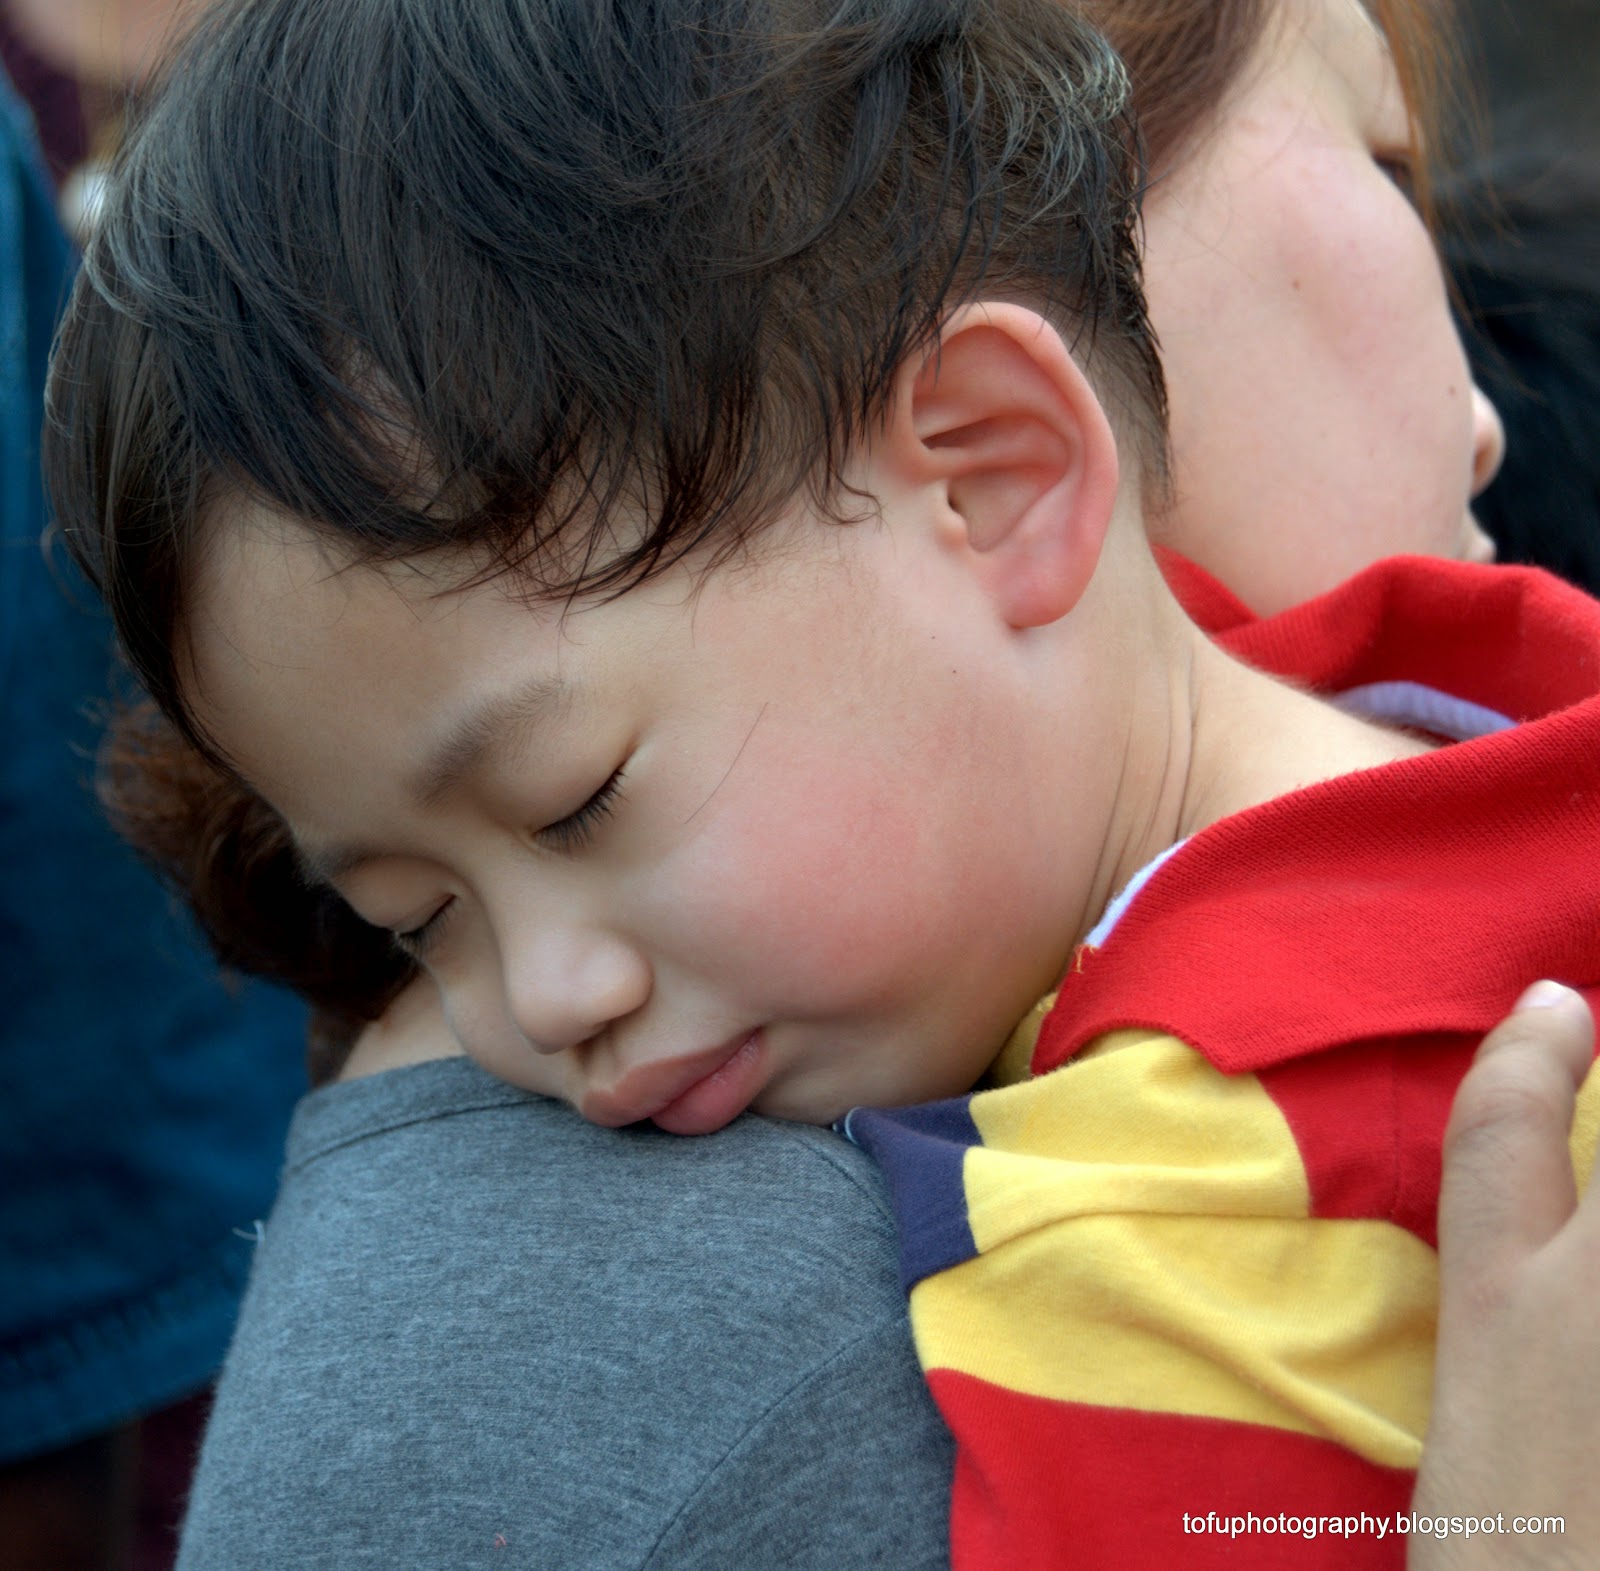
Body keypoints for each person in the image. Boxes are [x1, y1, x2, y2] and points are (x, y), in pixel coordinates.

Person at [40, 2, 1600, 1568]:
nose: (541, 1002)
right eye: (423, 917)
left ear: (997, 475)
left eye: (577, 800)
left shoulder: (1184, 1235)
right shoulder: (1465, 699)